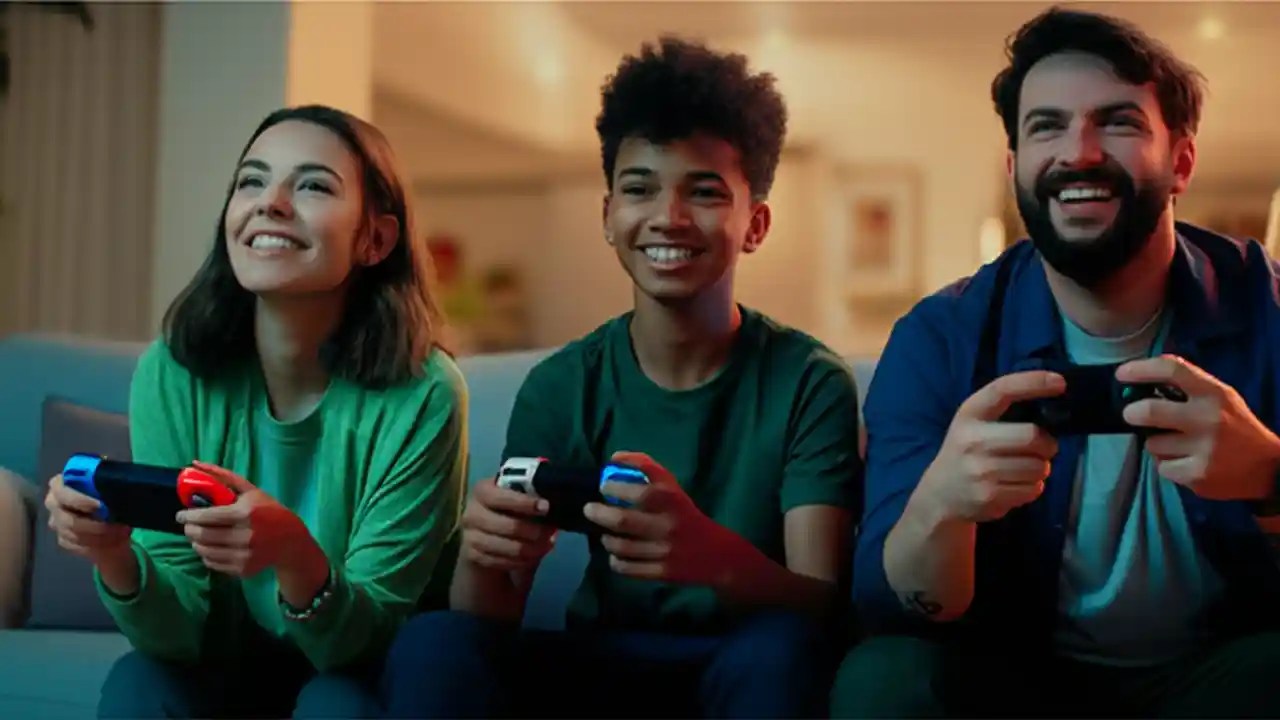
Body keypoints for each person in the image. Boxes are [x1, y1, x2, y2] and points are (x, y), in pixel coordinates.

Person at [381, 36, 862, 719]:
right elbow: (492, 615)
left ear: (754, 225)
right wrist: (484, 557)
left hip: (738, 668)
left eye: (703, 192)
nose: (667, 218)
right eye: (640, 189)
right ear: (608, 215)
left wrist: (708, 556)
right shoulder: (560, 386)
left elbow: (822, 602)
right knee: (436, 641)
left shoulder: (808, 382)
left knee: (782, 649)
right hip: (597, 665)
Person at [831, 8, 1280, 718]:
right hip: (1019, 686)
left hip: (1218, 681)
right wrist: (942, 508)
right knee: (885, 675)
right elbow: (897, 611)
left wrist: (1270, 477)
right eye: (1047, 126)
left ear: (1182, 162)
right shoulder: (941, 336)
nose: (1081, 152)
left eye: (1120, 123)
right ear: (1015, 167)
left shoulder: (1268, 309)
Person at [42, 105, 469, 718]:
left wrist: (294, 553)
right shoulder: (172, 372)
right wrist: (113, 554)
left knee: (335, 704)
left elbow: (363, 641)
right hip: (218, 666)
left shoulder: (425, 394)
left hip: (359, 669)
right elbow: (175, 635)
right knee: (140, 682)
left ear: (375, 239)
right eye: (251, 180)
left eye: (314, 185)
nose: (270, 203)